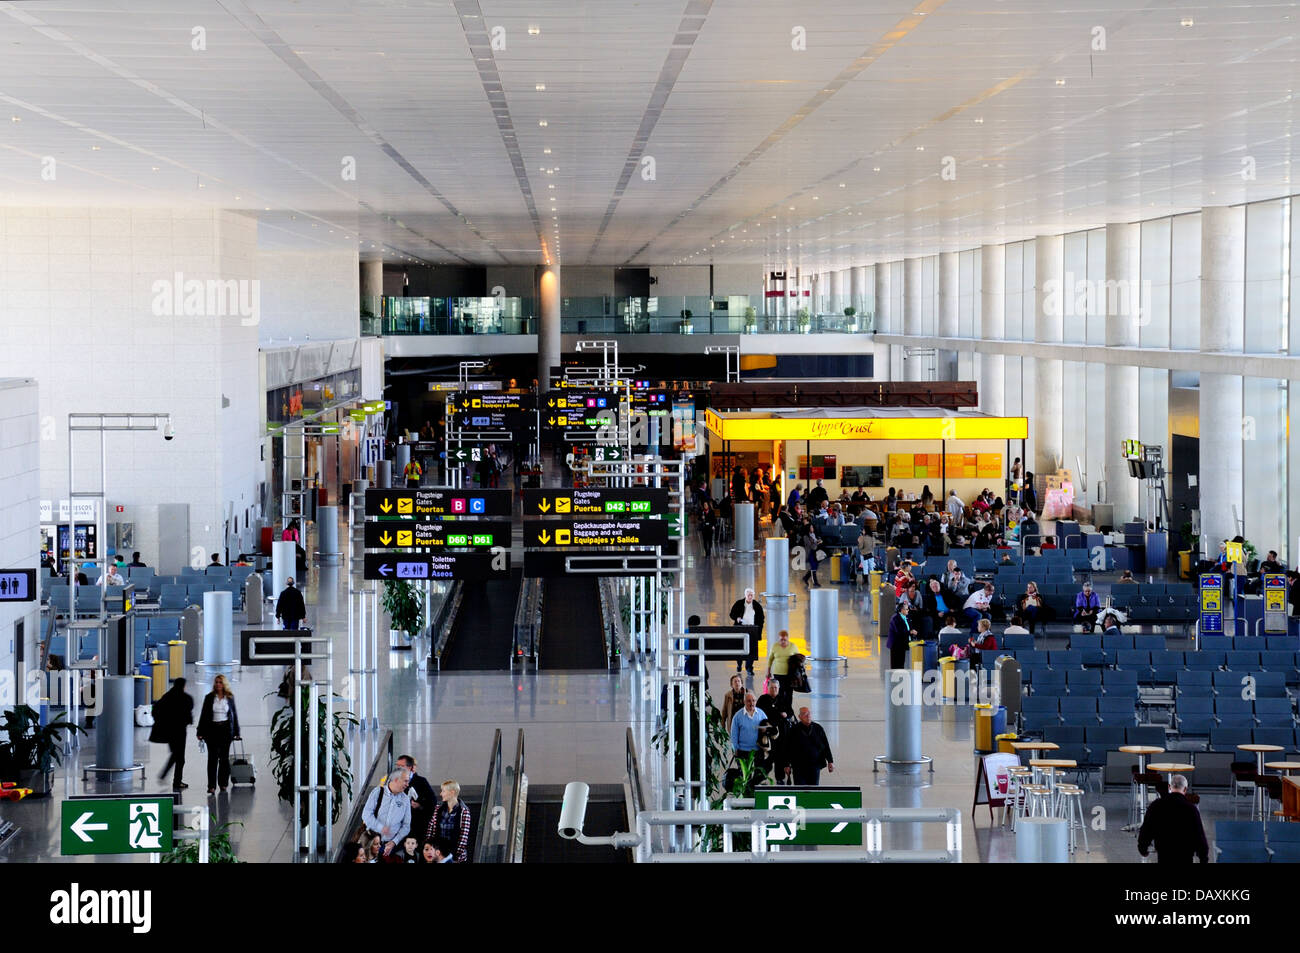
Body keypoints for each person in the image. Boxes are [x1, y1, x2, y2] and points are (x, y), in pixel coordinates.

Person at [1138, 774, 1209, 863]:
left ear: (1169, 787)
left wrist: (1143, 847)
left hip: (1164, 854)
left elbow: (1146, 829)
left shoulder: (1156, 806)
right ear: (1185, 789)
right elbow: (1199, 836)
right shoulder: (1191, 809)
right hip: (1185, 855)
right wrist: (1203, 857)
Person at [196, 673, 241, 795]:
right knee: (212, 759)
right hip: (212, 730)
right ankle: (211, 786)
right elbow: (204, 715)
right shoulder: (209, 697)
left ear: (224, 684)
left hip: (226, 730)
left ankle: (223, 784)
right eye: (216, 682)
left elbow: (234, 715)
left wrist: (237, 731)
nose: (218, 684)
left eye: (220, 682)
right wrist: (200, 731)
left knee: (224, 759)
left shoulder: (230, 698)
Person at [149, 677, 194, 791]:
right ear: (184, 686)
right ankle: (174, 780)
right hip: (180, 731)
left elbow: (155, 710)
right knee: (179, 757)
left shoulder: (167, 696)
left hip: (168, 731)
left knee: (176, 754)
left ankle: (170, 778)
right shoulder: (186, 698)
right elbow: (189, 713)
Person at [362, 765, 412, 858]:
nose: (407, 784)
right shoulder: (377, 792)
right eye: (405, 781)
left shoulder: (405, 799)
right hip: (371, 844)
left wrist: (394, 842)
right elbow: (366, 815)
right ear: (396, 779)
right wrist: (381, 828)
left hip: (391, 847)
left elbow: (406, 826)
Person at [426, 779, 472, 863]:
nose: (440, 794)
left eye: (443, 791)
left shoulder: (464, 811)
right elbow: (431, 831)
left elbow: (463, 839)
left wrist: (453, 857)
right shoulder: (438, 809)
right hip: (438, 855)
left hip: (456, 858)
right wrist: (430, 850)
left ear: (452, 792)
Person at [785, 708, 835, 786]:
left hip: (815, 766)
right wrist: (787, 764)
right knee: (800, 789)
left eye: (809, 713)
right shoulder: (794, 730)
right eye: (805, 714)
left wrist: (830, 761)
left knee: (814, 789)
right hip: (799, 766)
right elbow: (788, 748)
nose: (808, 716)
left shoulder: (818, 728)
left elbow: (825, 746)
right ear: (799, 717)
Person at [397, 754, 436, 838]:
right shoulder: (394, 780)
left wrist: (419, 805)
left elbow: (432, 801)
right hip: (399, 825)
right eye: (398, 766)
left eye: (402, 766)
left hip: (416, 824)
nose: (399, 768)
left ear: (410, 767)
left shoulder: (421, 781)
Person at [729, 588, 765, 674]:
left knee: (751, 650)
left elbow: (761, 619)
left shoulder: (756, 605)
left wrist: (759, 631)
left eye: (751, 595)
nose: (750, 596)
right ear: (745, 595)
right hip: (741, 629)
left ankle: (749, 668)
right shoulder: (739, 603)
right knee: (740, 648)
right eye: (748, 595)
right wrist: (737, 618)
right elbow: (732, 614)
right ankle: (739, 664)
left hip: (752, 630)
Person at [729, 691, 767, 759]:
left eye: (753, 701)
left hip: (758, 751)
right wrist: (735, 748)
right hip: (742, 751)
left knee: (758, 769)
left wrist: (765, 729)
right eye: (749, 701)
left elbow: (768, 728)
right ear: (744, 702)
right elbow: (734, 734)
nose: (752, 703)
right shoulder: (737, 716)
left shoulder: (761, 714)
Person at [766, 629, 798, 708]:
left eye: (784, 640)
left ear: (787, 639)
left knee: (789, 693)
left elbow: (798, 659)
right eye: (781, 640)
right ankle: (780, 709)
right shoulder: (775, 646)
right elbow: (770, 659)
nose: (783, 642)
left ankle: (788, 710)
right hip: (778, 673)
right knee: (779, 692)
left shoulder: (793, 646)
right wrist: (768, 671)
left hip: (789, 674)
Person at [887, 600, 917, 669]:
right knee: (895, 664)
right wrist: (910, 632)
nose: (908, 610)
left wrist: (912, 632)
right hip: (896, 644)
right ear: (901, 610)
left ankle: (900, 675)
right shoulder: (895, 618)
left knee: (901, 662)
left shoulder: (906, 617)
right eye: (906, 609)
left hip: (902, 643)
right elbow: (899, 632)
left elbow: (909, 627)